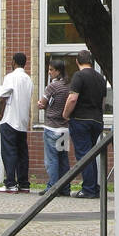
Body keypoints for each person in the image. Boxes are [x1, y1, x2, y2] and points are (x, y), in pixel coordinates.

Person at [63, 49, 108, 199]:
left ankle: (88, 189)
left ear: (77, 61)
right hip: (97, 121)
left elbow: (73, 98)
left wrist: (65, 114)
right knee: (91, 154)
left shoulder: (79, 76)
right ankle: (94, 187)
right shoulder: (100, 78)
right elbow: (102, 103)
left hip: (81, 120)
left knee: (84, 155)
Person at [0, 52, 33, 193]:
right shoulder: (28, 79)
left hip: (10, 119)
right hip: (23, 121)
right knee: (22, 153)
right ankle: (24, 183)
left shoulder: (10, 77)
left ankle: (10, 183)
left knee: (9, 152)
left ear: (13, 62)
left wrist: (0, 112)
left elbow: (3, 97)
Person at [38, 58, 72, 196]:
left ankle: (52, 188)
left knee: (51, 159)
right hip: (65, 129)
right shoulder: (68, 86)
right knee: (63, 159)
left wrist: (40, 105)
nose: (49, 72)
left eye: (51, 69)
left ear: (58, 71)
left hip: (52, 128)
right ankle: (65, 188)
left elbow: (42, 103)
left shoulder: (52, 87)